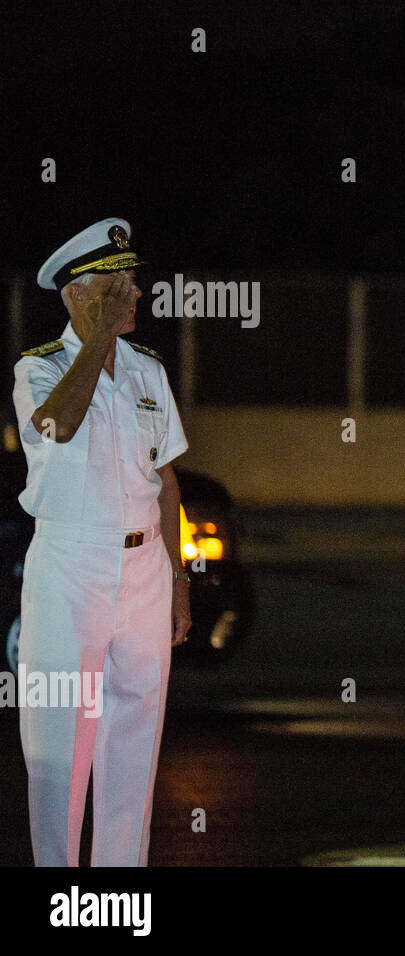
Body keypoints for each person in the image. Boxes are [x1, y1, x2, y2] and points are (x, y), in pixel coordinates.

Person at [12, 218, 191, 866]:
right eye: (121, 284)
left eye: (133, 281)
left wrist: (177, 579)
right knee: (61, 757)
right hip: (68, 573)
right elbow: (59, 423)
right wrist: (96, 342)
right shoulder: (38, 371)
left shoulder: (147, 371)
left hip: (144, 570)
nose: (136, 294)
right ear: (77, 294)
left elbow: (168, 484)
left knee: (133, 757)